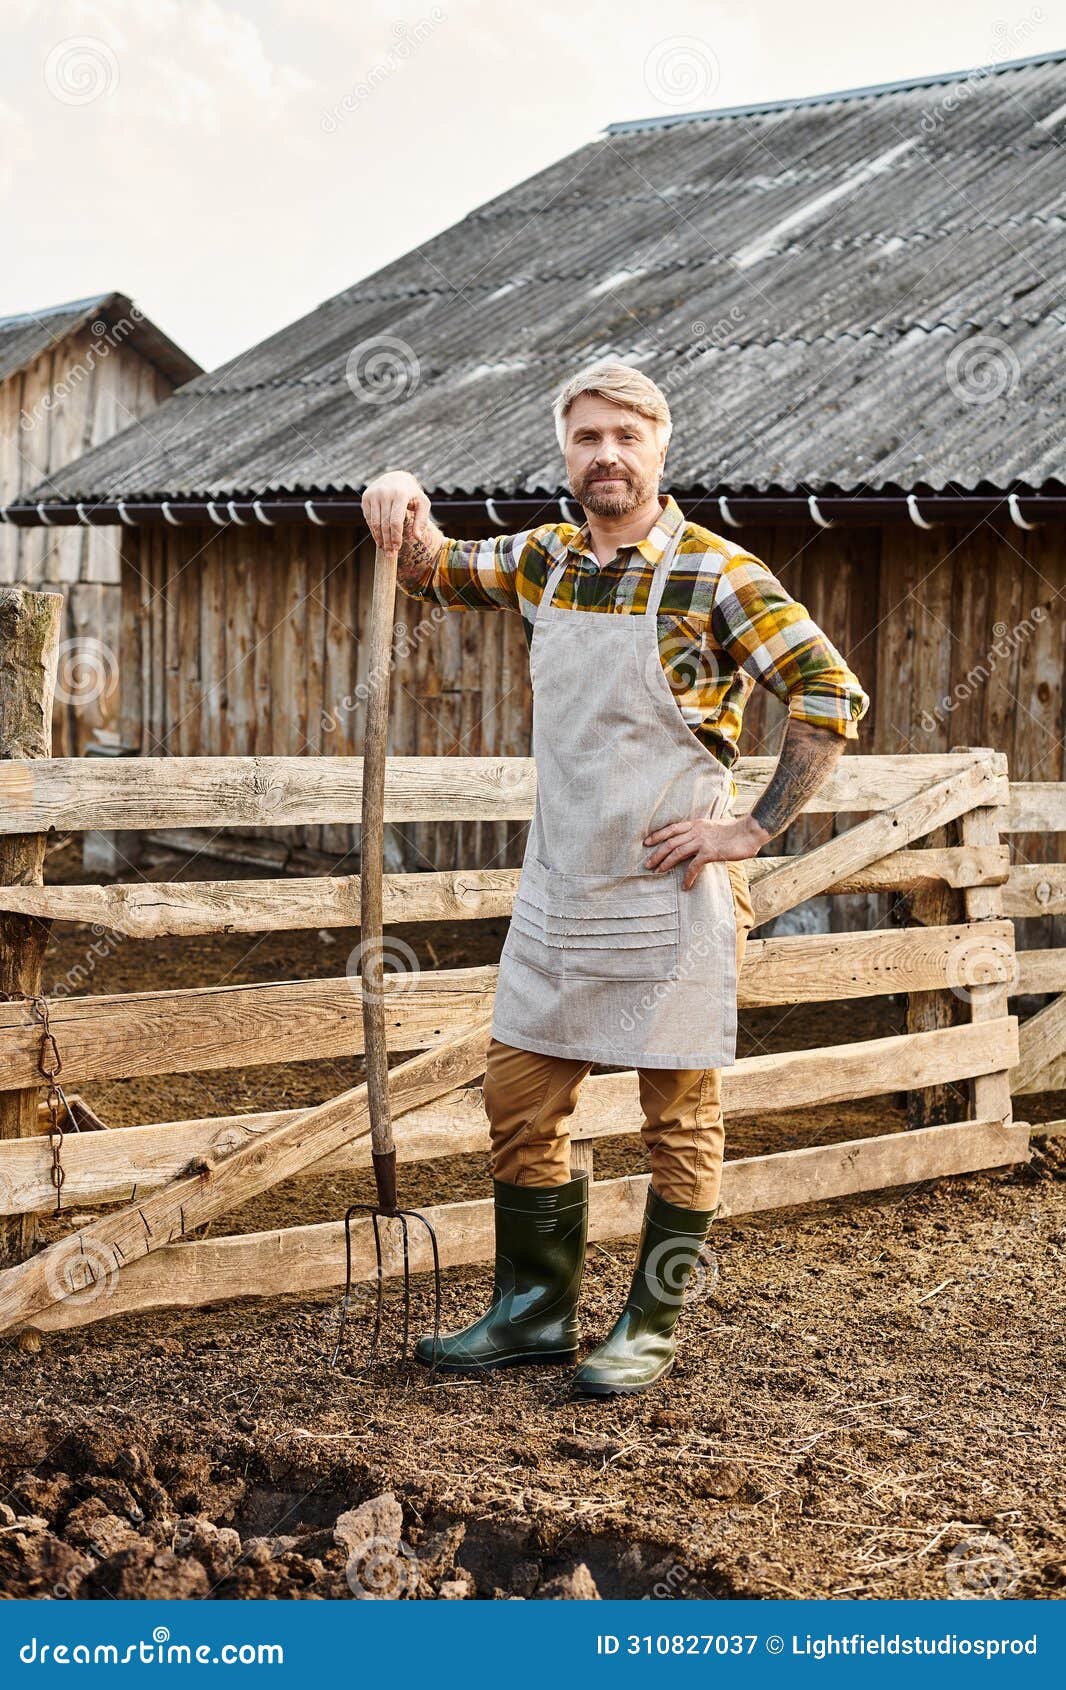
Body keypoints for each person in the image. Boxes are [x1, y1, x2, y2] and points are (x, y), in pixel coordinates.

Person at [361, 361, 869, 1397]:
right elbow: (430, 569)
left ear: (659, 448)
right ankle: (533, 1311)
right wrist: (402, 493)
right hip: (562, 883)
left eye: (626, 436)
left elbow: (828, 690)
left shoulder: (716, 573)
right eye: (587, 436)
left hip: (668, 890)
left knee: (677, 1118)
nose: (606, 455)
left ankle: (649, 1322)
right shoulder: (543, 560)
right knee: (517, 1098)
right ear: (564, 449)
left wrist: (753, 828)